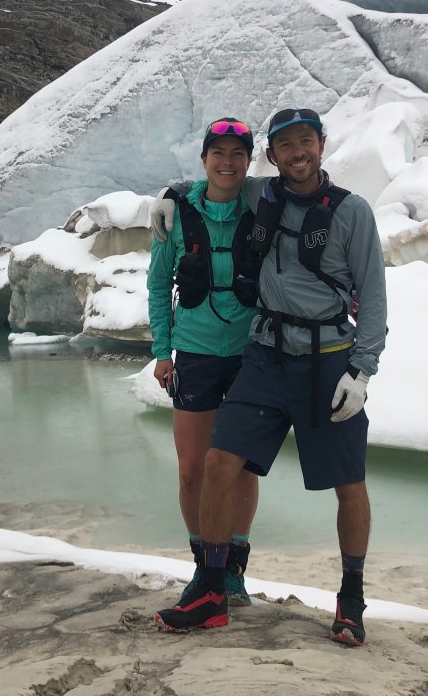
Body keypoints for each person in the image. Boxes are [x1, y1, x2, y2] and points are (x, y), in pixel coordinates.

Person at [150, 107, 387, 646]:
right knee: (219, 461)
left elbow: (373, 298)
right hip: (264, 353)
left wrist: (362, 369)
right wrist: (168, 194)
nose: (297, 153)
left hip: (328, 358)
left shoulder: (352, 212)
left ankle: (351, 599)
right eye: (286, 145)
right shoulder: (263, 194)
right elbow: (216, 180)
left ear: (322, 145)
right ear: (273, 155)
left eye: (306, 142)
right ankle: (212, 588)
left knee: (349, 484)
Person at [147, 118, 262, 609]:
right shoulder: (177, 213)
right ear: (205, 159)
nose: (228, 162)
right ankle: (202, 562)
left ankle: (233, 567)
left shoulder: (259, 208)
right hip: (193, 354)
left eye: (238, 153)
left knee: (240, 469)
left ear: (248, 161)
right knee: (192, 469)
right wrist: (161, 351)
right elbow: (157, 285)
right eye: (219, 152)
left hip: (247, 354)